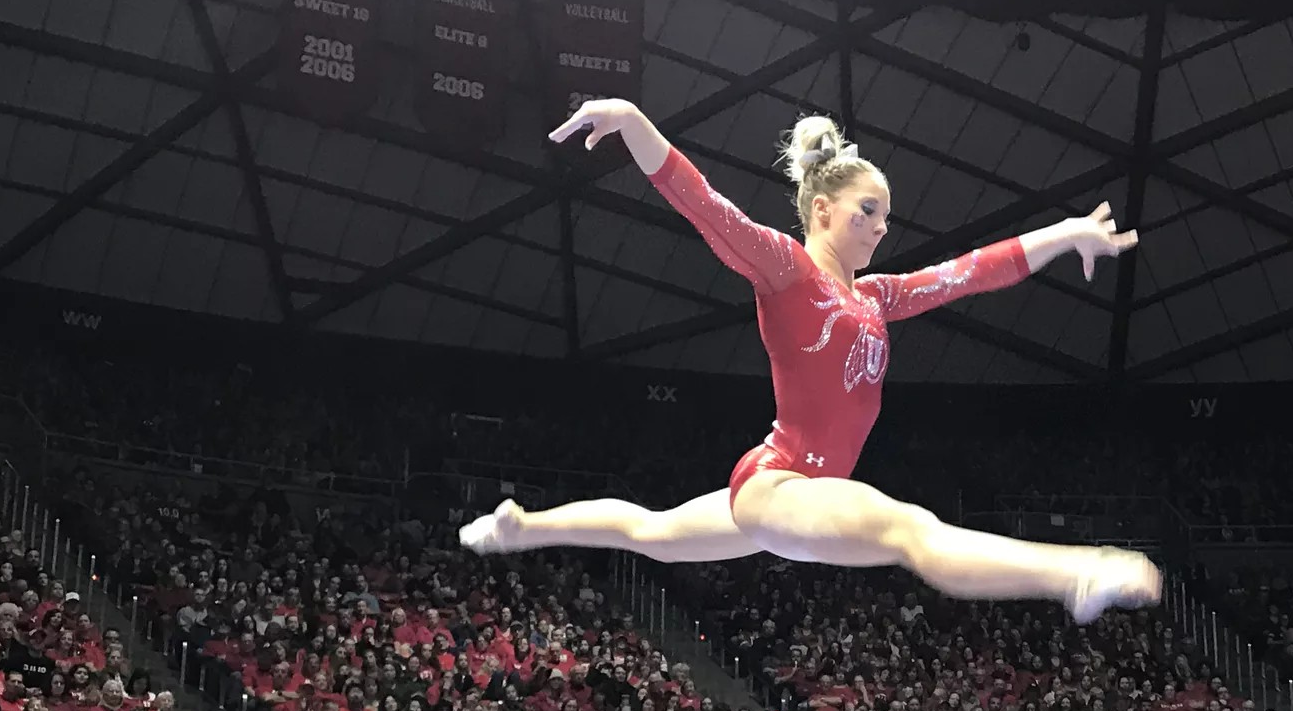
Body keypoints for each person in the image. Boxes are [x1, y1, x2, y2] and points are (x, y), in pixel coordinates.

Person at [461, 101, 1160, 624]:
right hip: (780, 483)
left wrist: (1066, 232)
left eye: (887, 217)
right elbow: (707, 208)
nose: (882, 227)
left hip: (796, 498)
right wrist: (634, 121)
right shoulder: (787, 269)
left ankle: (522, 525)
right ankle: (1076, 571)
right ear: (821, 209)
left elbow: (971, 271)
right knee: (910, 529)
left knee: (651, 532)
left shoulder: (879, 296)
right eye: (868, 211)